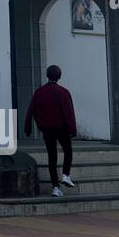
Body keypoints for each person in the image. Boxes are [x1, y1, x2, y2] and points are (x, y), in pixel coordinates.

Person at [24, 64, 78, 197]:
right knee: (68, 151)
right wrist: (73, 130)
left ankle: (55, 187)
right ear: (59, 76)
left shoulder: (39, 92)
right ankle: (65, 174)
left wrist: (29, 128)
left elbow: (31, 110)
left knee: (52, 157)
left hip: (47, 130)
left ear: (47, 75)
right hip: (62, 129)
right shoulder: (64, 92)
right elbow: (69, 112)